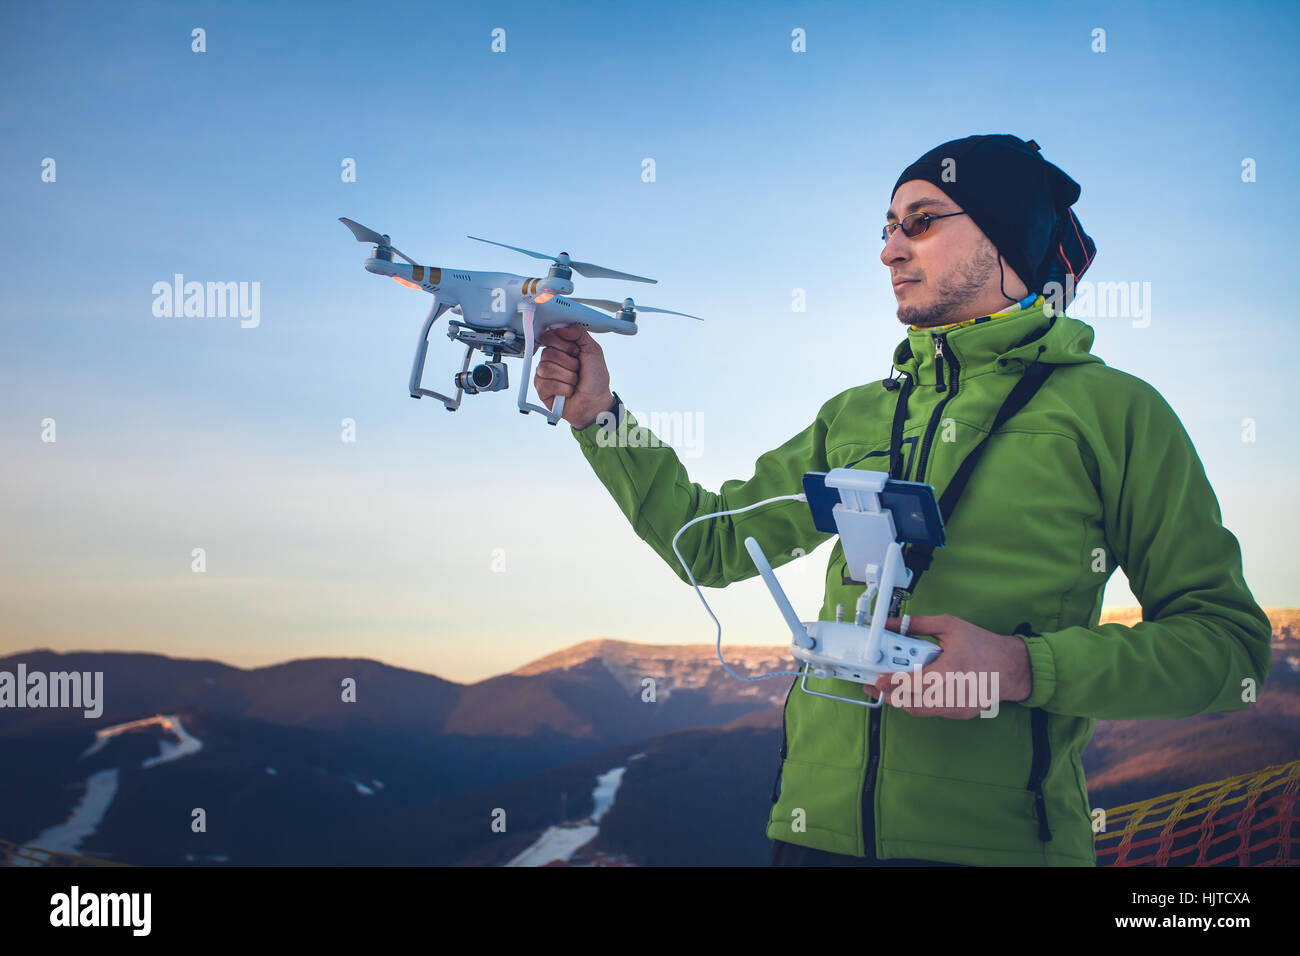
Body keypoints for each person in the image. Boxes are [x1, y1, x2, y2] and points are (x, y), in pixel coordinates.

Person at [531, 134, 1273, 867]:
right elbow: (712, 545)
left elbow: (1227, 649)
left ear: (1009, 241)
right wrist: (603, 419)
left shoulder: (1113, 413)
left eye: (921, 221)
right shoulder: (854, 414)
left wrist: (1019, 666)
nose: (889, 251)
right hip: (809, 837)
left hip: (1000, 850)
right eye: (886, 229)